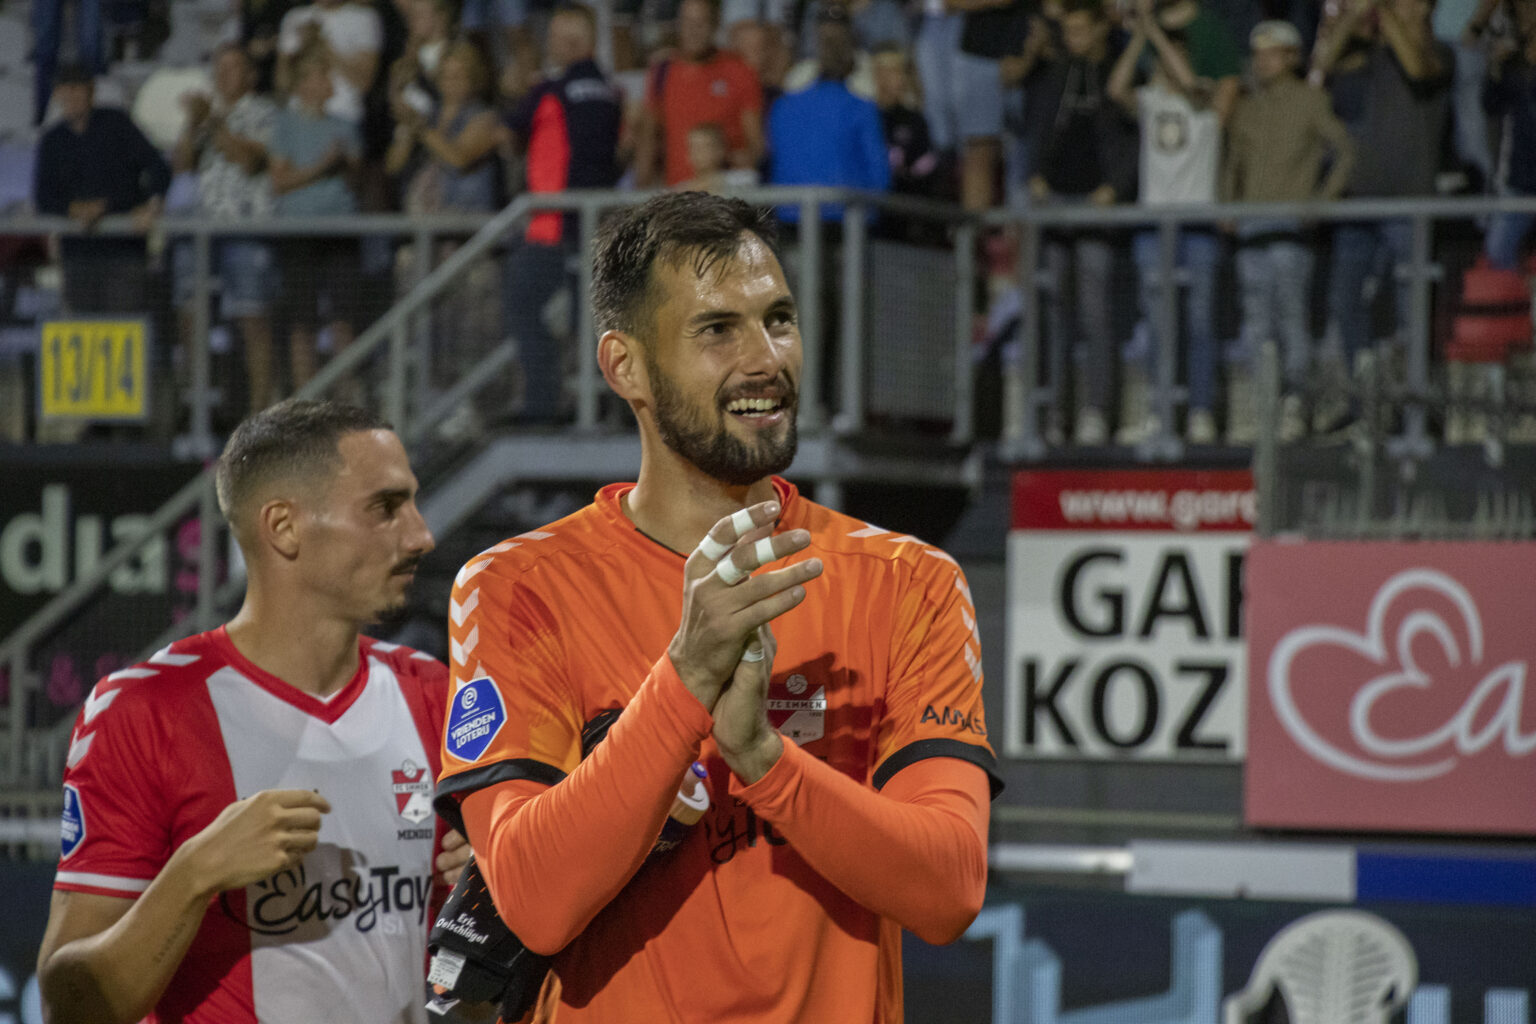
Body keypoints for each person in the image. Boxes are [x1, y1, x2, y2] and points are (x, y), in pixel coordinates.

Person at [434, 191, 1000, 1022]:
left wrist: (763, 760)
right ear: (625, 367)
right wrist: (686, 679)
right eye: (717, 330)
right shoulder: (518, 588)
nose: (765, 358)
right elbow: (534, 900)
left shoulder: (906, 580)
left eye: (779, 320)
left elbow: (949, 890)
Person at [36, 398, 469, 1024]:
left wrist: (489, 896)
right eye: (385, 508)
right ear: (284, 527)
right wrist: (193, 875)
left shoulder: (437, 695)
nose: (421, 536)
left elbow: (467, 996)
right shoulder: (143, 711)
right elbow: (70, 1007)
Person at [1222, 19, 1354, 442]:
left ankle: (1297, 402)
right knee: (1256, 323)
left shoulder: (1310, 101)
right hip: (1251, 228)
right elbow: (1233, 161)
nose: (1263, 61)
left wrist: (1322, 201)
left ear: (1292, 57)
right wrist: (1226, 203)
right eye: (1258, 54)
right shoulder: (1248, 106)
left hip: (1290, 230)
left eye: (1272, 53)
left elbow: (1345, 150)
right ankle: (1265, 403)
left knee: (1292, 319)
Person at [1311, 0, 1450, 392]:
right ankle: (1364, 400)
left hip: (1409, 204)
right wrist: (1354, 15)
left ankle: (1415, 403)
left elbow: (1417, 69)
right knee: (1345, 302)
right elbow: (1325, 65)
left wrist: (1383, 11)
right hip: (1359, 201)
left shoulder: (1441, 54)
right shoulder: (1368, 56)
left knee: (1412, 310)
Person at [1109, 0, 1230, 446]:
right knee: (1159, 325)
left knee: (1200, 322)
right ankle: (1161, 409)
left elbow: (1191, 83)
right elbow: (1116, 87)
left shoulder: (1205, 101)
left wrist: (1155, 33)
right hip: (1153, 225)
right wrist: (1140, 37)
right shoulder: (1150, 100)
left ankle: (1200, 410)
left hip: (1197, 225)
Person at [1019, 0, 1136, 446]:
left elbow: (1130, 137)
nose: (1073, 40)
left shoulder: (1115, 71)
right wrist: (1035, 173)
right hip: (1054, 204)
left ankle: (1097, 411)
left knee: (1095, 313)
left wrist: (1116, 187)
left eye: (1081, 30)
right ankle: (1053, 411)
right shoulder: (1054, 74)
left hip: (1096, 204)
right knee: (1053, 313)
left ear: (1100, 29)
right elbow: (1036, 126)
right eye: (1068, 32)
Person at [500, 2, 622, 423]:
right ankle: (596, 407)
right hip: (595, 222)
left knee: (522, 303)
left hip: (552, 224)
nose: (551, 44)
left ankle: (543, 403)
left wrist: (516, 91)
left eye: (555, 37)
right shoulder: (609, 92)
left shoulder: (551, 90)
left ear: (572, 41)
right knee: (585, 319)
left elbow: (507, 131)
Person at [172, 43, 281, 415]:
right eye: (219, 68)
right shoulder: (206, 115)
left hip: (246, 225)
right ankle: (197, 403)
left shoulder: (265, 111)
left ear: (250, 74)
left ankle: (260, 409)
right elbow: (182, 165)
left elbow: (250, 160)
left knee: (253, 316)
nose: (223, 75)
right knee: (191, 308)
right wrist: (193, 125)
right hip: (204, 226)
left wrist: (215, 124)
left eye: (233, 67)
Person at [33, 62, 170, 317]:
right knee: (84, 328)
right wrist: (74, 209)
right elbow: (44, 196)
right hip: (77, 254)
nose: (72, 95)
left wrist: (150, 205)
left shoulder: (116, 124)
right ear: (57, 94)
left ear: (91, 91)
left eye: (78, 88)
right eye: (66, 89)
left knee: (124, 325)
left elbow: (158, 167)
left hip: (124, 250)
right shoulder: (52, 141)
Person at [269, 48, 363, 394]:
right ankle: (304, 400)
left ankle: (346, 396)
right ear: (304, 84)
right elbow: (280, 180)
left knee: (343, 316)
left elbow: (357, 180)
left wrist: (346, 166)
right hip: (298, 232)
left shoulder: (346, 127)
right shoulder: (286, 125)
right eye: (321, 76)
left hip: (341, 230)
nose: (328, 83)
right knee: (302, 319)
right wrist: (323, 166)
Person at [766, 2, 891, 216]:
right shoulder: (861, 108)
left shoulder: (783, 105)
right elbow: (880, 180)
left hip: (791, 221)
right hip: (845, 222)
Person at [634, 0, 765, 187]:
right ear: (678, 25)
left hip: (724, 193)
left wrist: (740, 159)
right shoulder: (662, 72)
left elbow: (756, 143)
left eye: (701, 22)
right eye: (687, 22)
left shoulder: (739, 71)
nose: (693, 30)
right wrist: (641, 189)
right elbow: (648, 139)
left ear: (715, 25)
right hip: (679, 193)